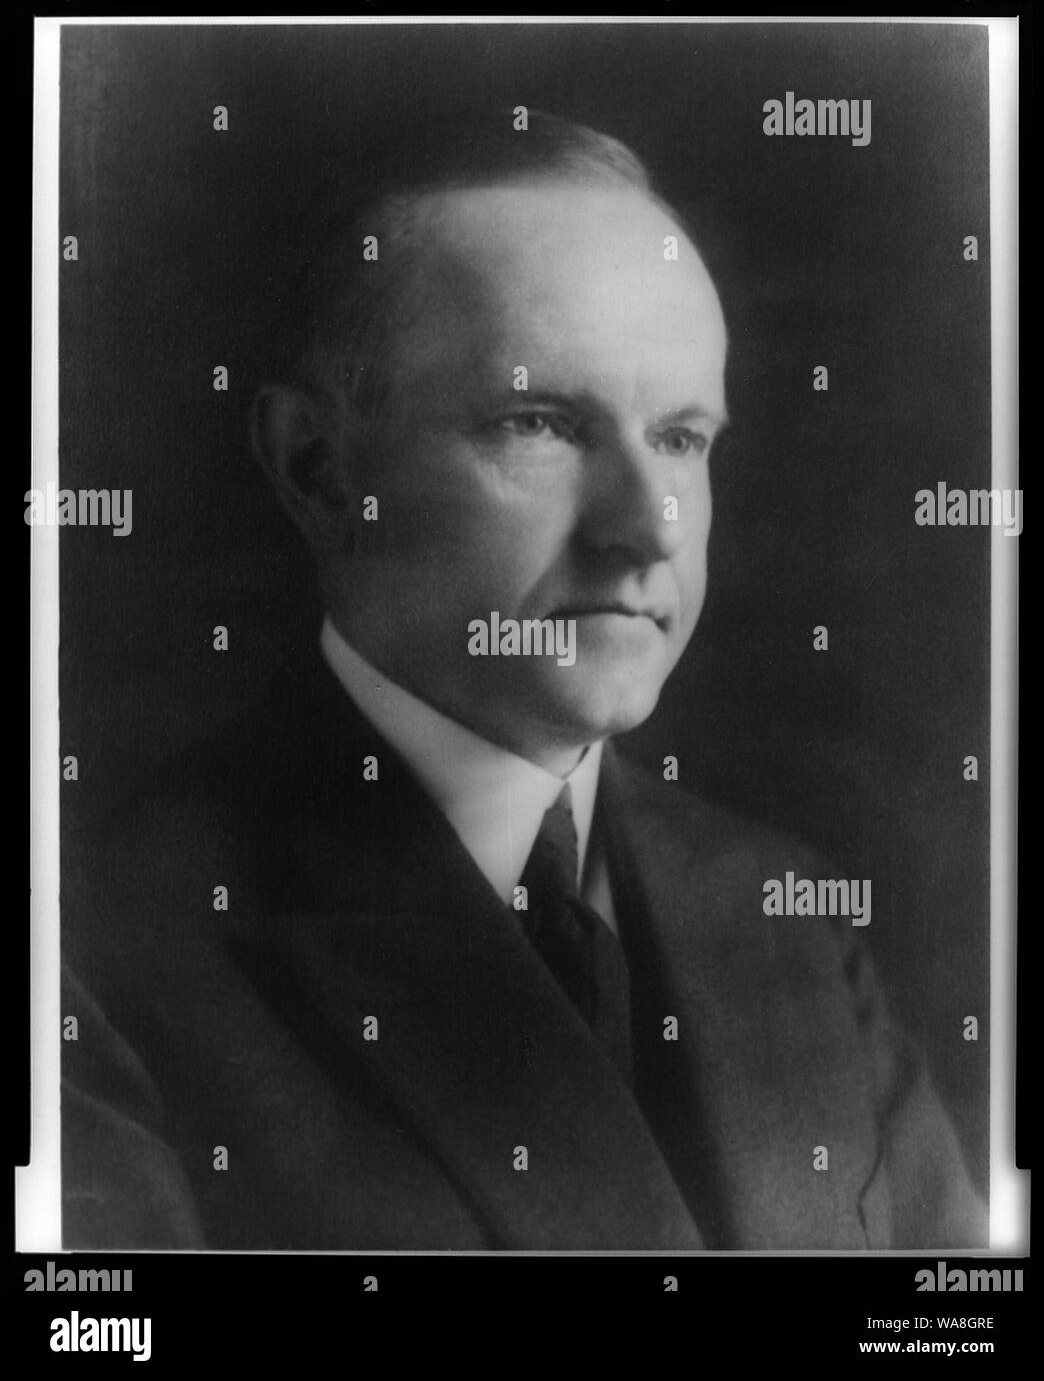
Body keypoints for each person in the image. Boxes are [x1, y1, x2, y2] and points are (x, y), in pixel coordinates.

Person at [61, 109, 986, 1250]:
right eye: (540, 423)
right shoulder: (101, 955)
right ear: (319, 467)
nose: (646, 530)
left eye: (684, 439)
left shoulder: (784, 908)